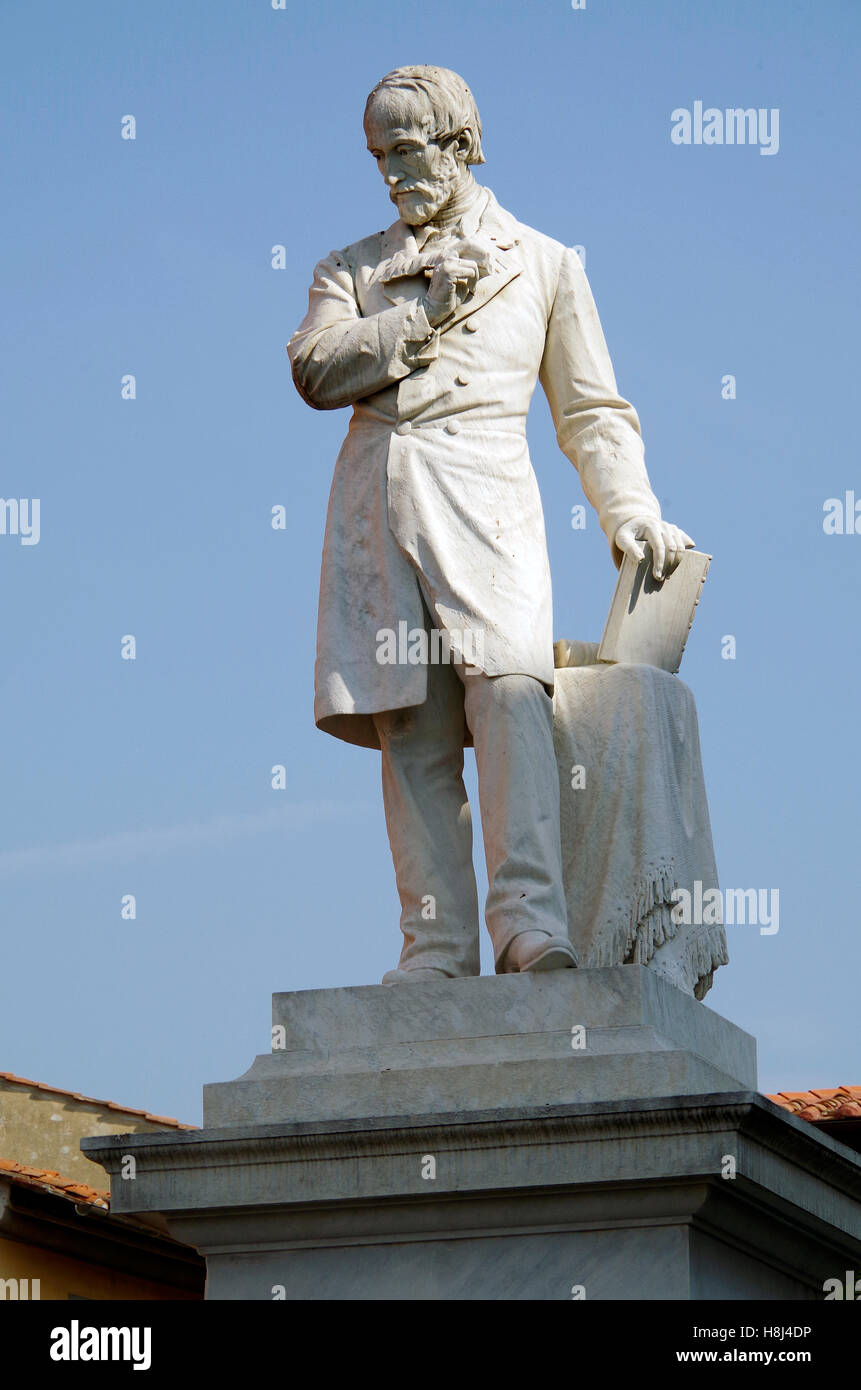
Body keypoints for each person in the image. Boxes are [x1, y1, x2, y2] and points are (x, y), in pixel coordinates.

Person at [288, 65, 693, 983]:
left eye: (406, 150)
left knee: (511, 698)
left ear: (459, 144)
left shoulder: (543, 261)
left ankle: (528, 928)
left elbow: (591, 412)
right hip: (378, 507)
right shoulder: (350, 267)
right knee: (413, 731)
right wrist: (419, 316)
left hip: (490, 499)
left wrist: (629, 510)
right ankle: (434, 949)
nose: (391, 173)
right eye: (378, 156)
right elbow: (315, 370)